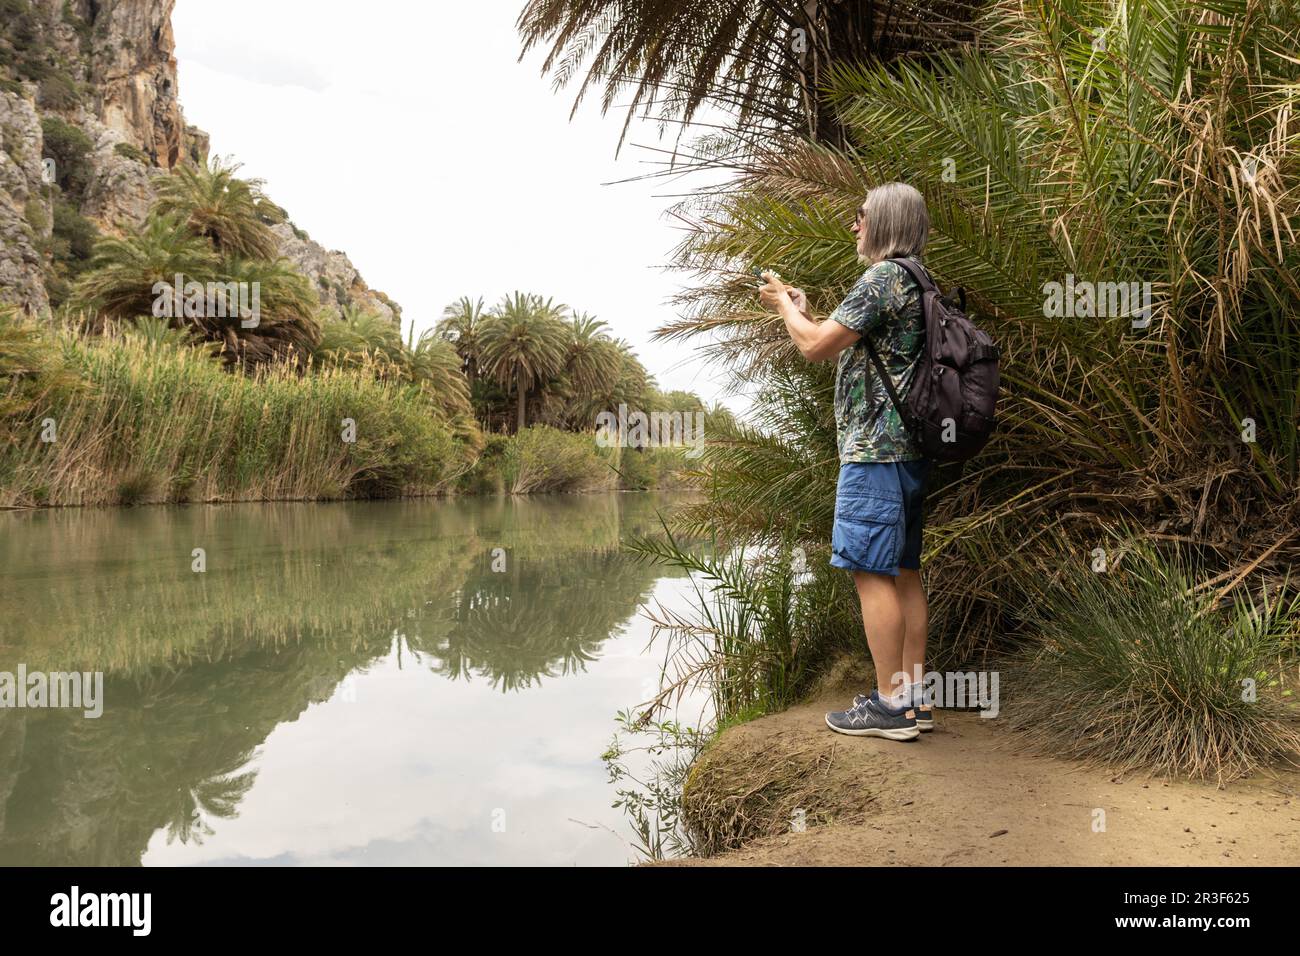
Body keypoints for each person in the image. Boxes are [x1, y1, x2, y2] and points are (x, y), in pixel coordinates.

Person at [758, 181, 933, 742]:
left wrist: (785, 303)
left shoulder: (882, 277)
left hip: (874, 454)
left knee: (869, 571)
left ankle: (889, 706)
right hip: (910, 455)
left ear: (883, 221)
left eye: (860, 217)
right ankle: (913, 700)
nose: (853, 226)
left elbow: (814, 346)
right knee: (905, 571)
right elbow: (834, 337)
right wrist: (804, 312)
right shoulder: (916, 279)